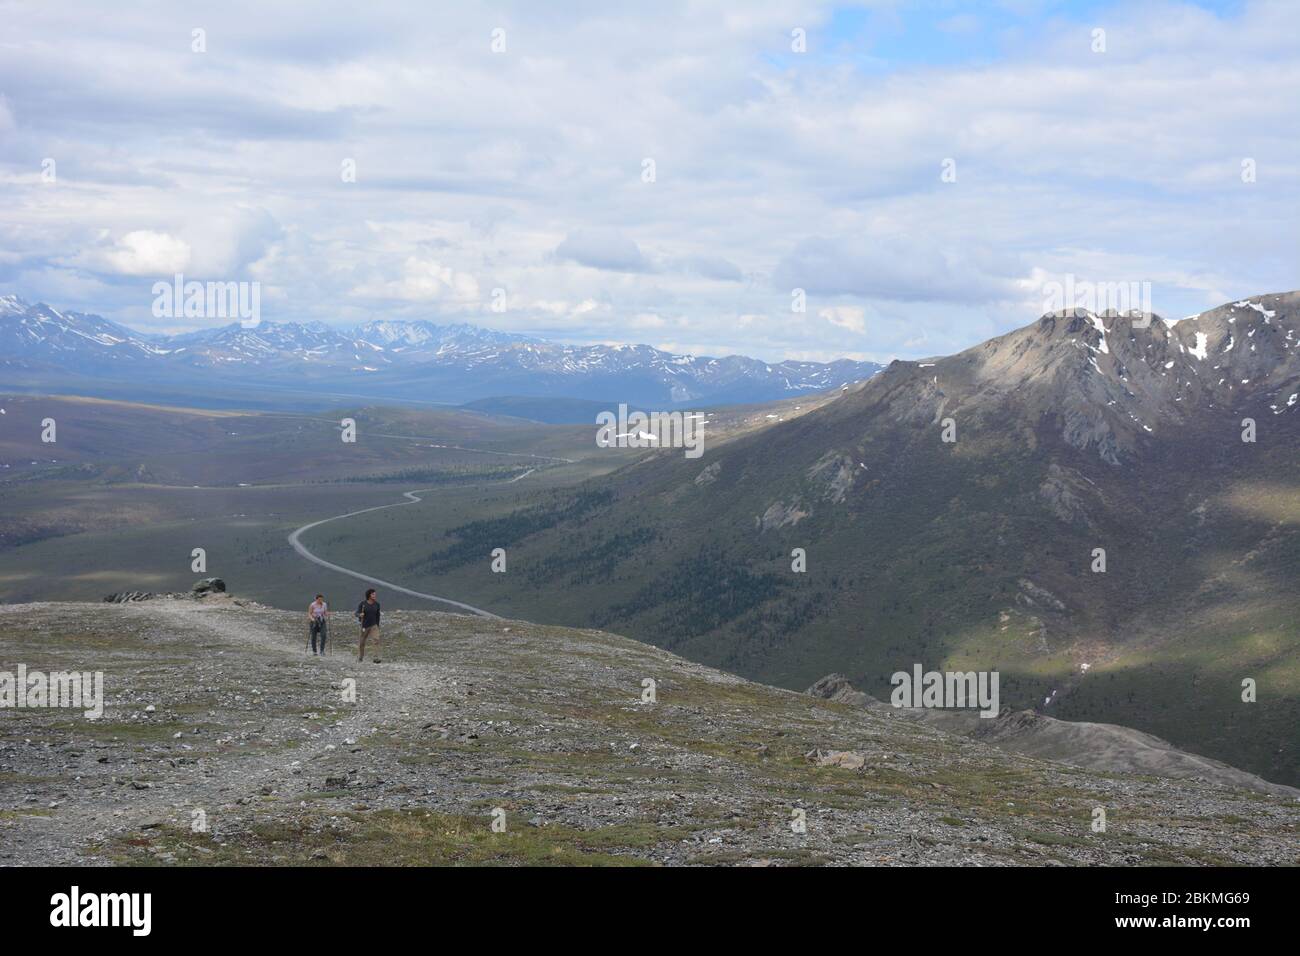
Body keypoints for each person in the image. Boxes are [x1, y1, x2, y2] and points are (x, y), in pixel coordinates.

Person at [355, 588, 381, 663]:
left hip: (374, 625)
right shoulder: (362, 604)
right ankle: (361, 656)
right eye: (373, 594)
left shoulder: (377, 604)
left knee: (376, 640)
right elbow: (356, 613)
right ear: (369, 595)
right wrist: (360, 615)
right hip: (364, 625)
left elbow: (377, 615)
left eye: (375, 594)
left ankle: (376, 658)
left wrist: (377, 625)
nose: (375, 595)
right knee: (362, 642)